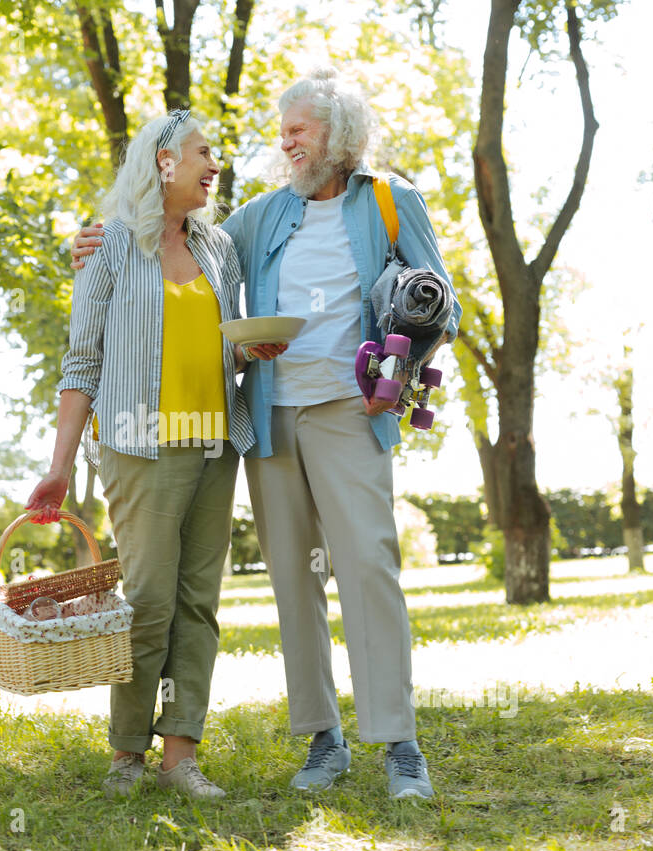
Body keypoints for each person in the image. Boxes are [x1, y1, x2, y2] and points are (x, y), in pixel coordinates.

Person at [72, 67, 462, 799]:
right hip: (274, 417)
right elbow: (180, 238)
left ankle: (399, 742)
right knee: (295, 577)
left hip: (353, 410)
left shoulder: (389, 202)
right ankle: (325, 740)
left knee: (369, 568)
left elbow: (443, 304)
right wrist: (100, 244)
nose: (285, 142)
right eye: (283, 130)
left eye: (299, 129)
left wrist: (404, 364)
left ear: (338, 135)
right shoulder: (260, 216)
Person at [27, 110, 281, 800]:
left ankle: (180, 756)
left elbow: (223, 342)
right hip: (140, 447)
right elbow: (82, 363)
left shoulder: (220, 248)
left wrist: (249, 348)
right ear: (164, 161)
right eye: (204, 152)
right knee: (146, 602)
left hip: (214, 443)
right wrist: (59, 464)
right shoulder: (108, 245)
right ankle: (125, 754)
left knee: (198, 602)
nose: (215, 164)